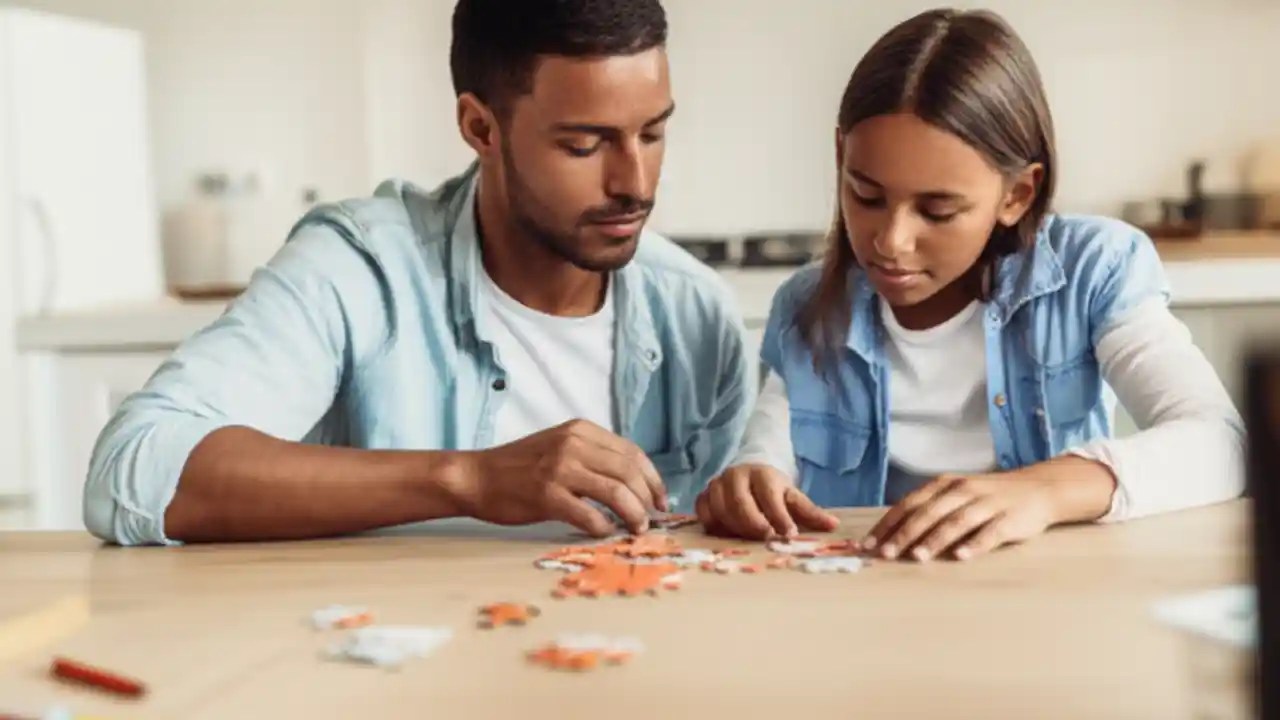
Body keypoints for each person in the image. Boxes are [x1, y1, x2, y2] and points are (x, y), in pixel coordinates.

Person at [84, 0, 753, 546]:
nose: (633, 183)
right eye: (584, 144)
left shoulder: (696, 313)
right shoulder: (359, 268)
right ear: (480, 127)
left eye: (653, 133)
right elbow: (133, 471)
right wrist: (469, 480)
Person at [695, 8, 1244, 561]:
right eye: (866, 196)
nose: (892, 241)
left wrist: (1043, 491)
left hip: (1047, 601)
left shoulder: (1093, 270)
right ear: (841, 157)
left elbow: (1221, 444)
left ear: (1017, 196)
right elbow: (761, 459)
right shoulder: (808, 306)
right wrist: (747, 483)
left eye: (937, 211)